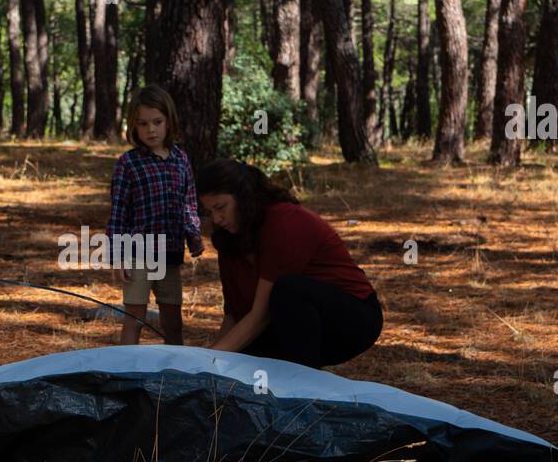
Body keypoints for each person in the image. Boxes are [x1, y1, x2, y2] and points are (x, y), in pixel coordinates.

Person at [196, 158, 382, 368]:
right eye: (210, 212)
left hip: (352, 318)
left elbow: (262, 314)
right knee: (243, 354)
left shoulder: (283, 221)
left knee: (288, 290)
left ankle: (303, 387)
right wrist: (207, 362)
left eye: (221, 207)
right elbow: (233, 316)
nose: (217, 219)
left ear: (243, 197)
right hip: (289, 320)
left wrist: (210, 362)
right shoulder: (228, 239)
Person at [106, 85, 204, 345]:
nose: (151, 130)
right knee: (135, 315)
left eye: (157, 122)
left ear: (169, 122)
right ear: (134, 127)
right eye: (143, 124)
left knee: (172, 315)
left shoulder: (181, 159)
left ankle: (175, 368)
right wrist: (118, 257)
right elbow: (119, 213)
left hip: (170, 254)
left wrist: (194, 237)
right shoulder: (129, 163)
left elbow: (189, 203)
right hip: (138, 252)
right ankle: (126, 369)